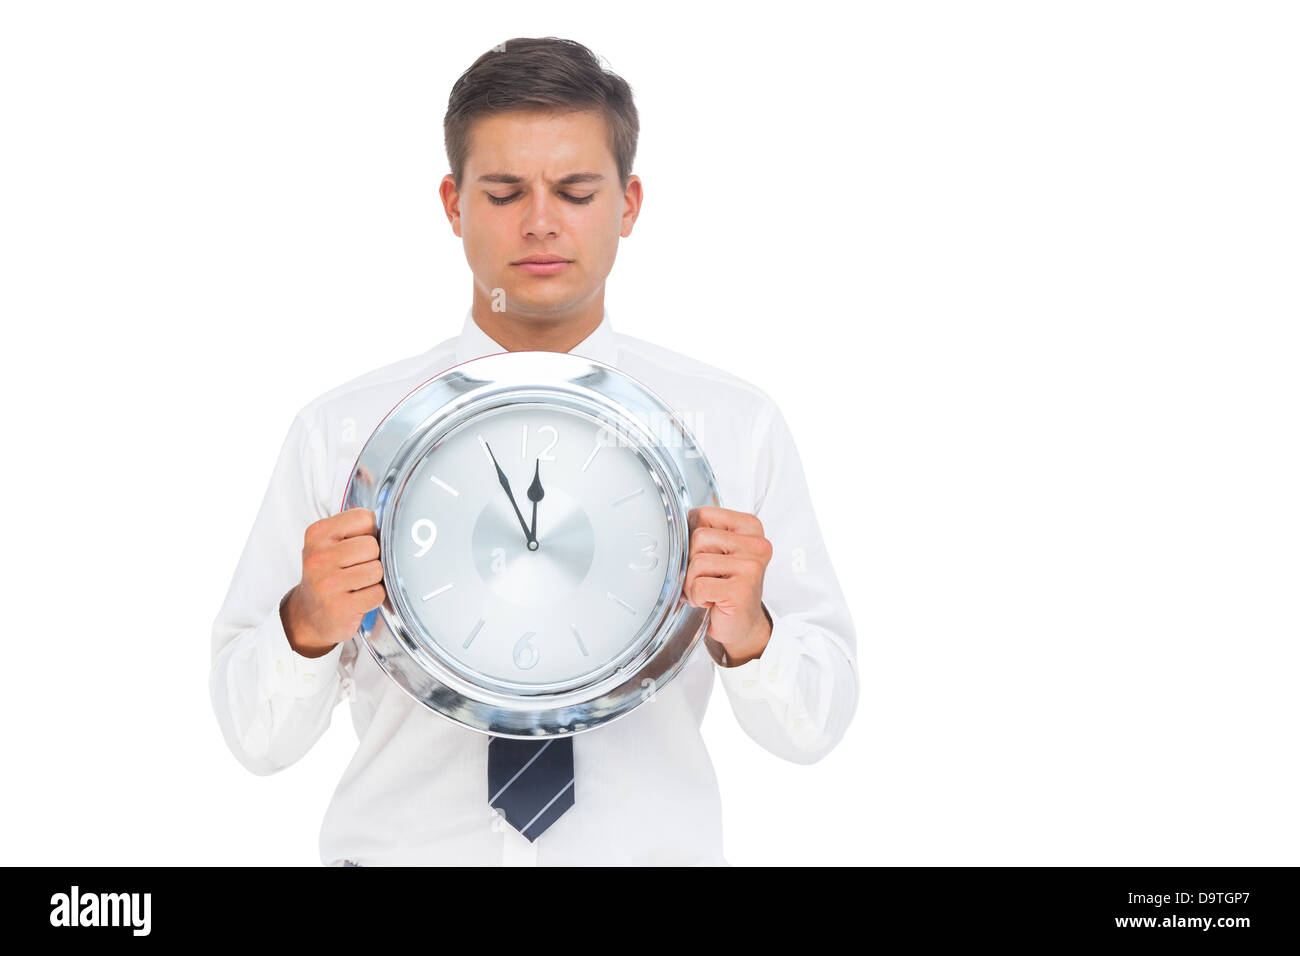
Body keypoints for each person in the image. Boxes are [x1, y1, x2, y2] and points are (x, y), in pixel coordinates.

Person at [210, 36, 858, 866]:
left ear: (628, 205)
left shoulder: (734, 426)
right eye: (506, 190)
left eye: (577, 191)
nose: (542, 221)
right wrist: (305, 623)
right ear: (453, 203)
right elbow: (252, 740)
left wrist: (753, 632)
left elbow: (817, 728)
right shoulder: (343, 431)